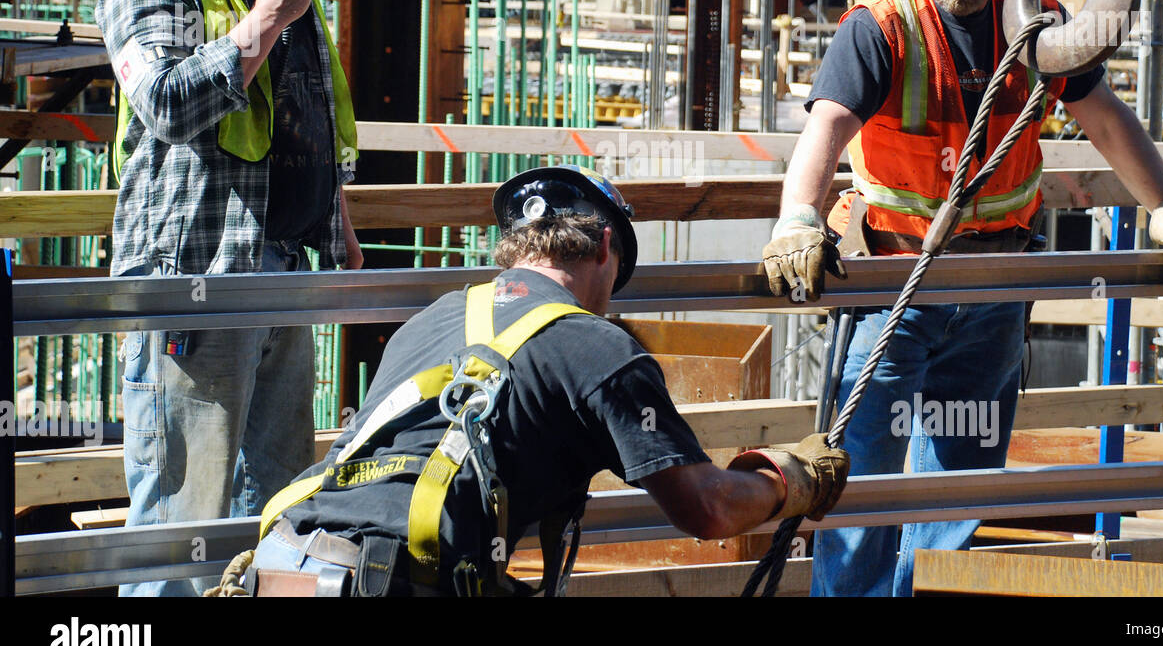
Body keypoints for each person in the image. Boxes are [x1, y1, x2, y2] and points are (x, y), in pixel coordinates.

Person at [762, 0, 1163, 597]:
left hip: (993, 293)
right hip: (894, 289)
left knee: (962, 477)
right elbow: (824, 130)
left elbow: (1105, 118)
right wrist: (797, 220)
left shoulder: (1036, 27)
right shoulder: (882, 28)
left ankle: (921, 594)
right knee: (863, 478)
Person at [240, 165, 849, 597]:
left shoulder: (435, 317)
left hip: (281, 560)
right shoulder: (599, 346)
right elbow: (709, 510)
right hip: (384, 581)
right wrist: (789, 480)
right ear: (606, 245)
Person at [96, 0, 363, 596]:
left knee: (279, 517)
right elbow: (169, 104)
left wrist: (336, 219)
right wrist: (263, 21)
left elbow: (306, 113)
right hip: (194, 284)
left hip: (280, 275)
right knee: (182, 522)